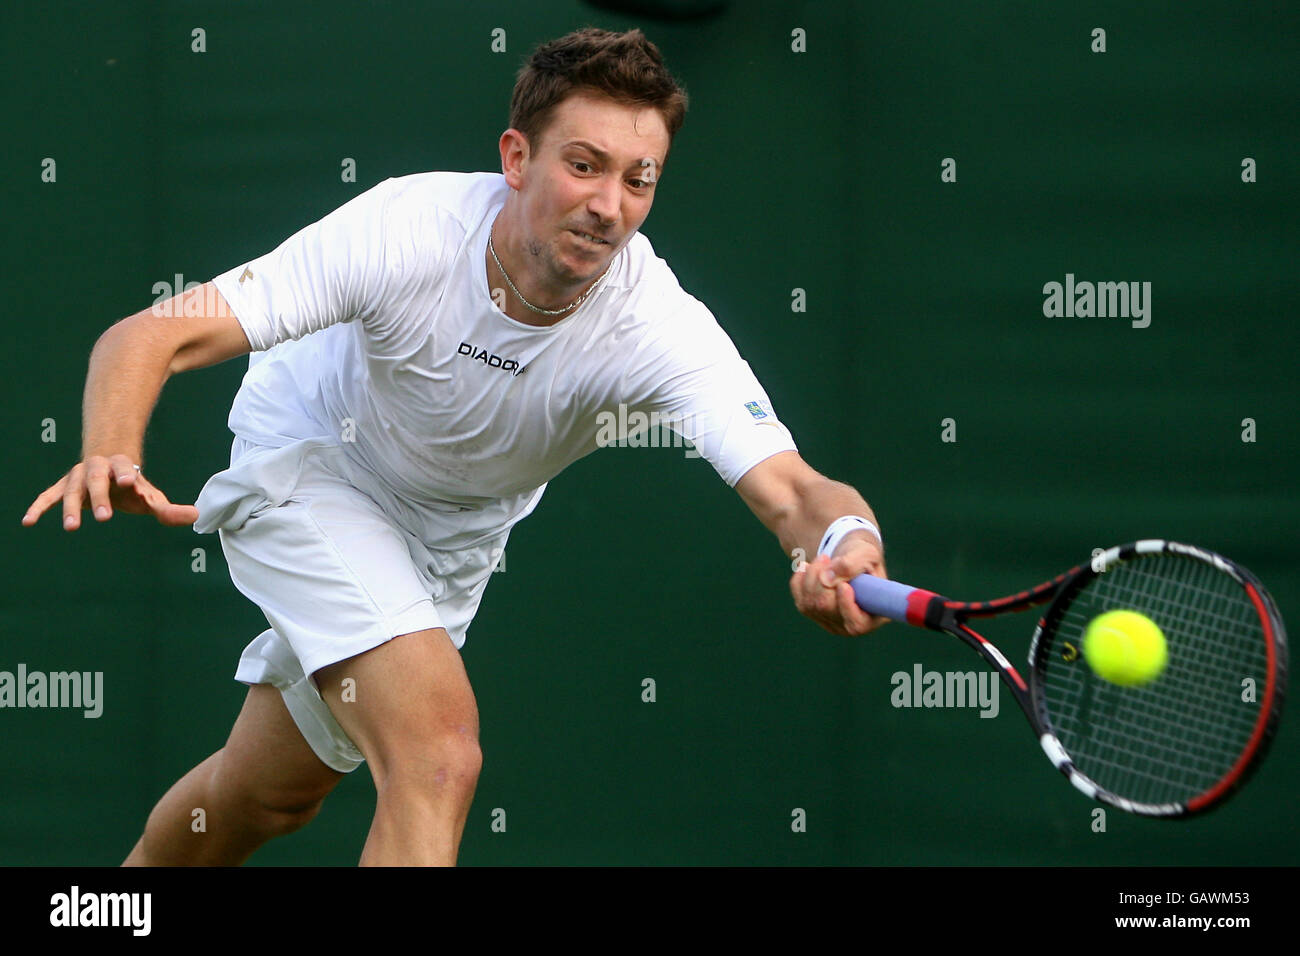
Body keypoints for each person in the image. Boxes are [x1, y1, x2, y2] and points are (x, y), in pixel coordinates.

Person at [21, 27, 887, 866]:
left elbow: (794, 490)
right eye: (583, 165)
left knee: (266, 797)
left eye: (638, 179)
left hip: (453, 541)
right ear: (517, 158)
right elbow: (148, 335)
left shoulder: (656, 325)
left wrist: (844, 545)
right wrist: (111, 449)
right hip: (313, 462)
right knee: (438, 755)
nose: (608, 205)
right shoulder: (407, 230)